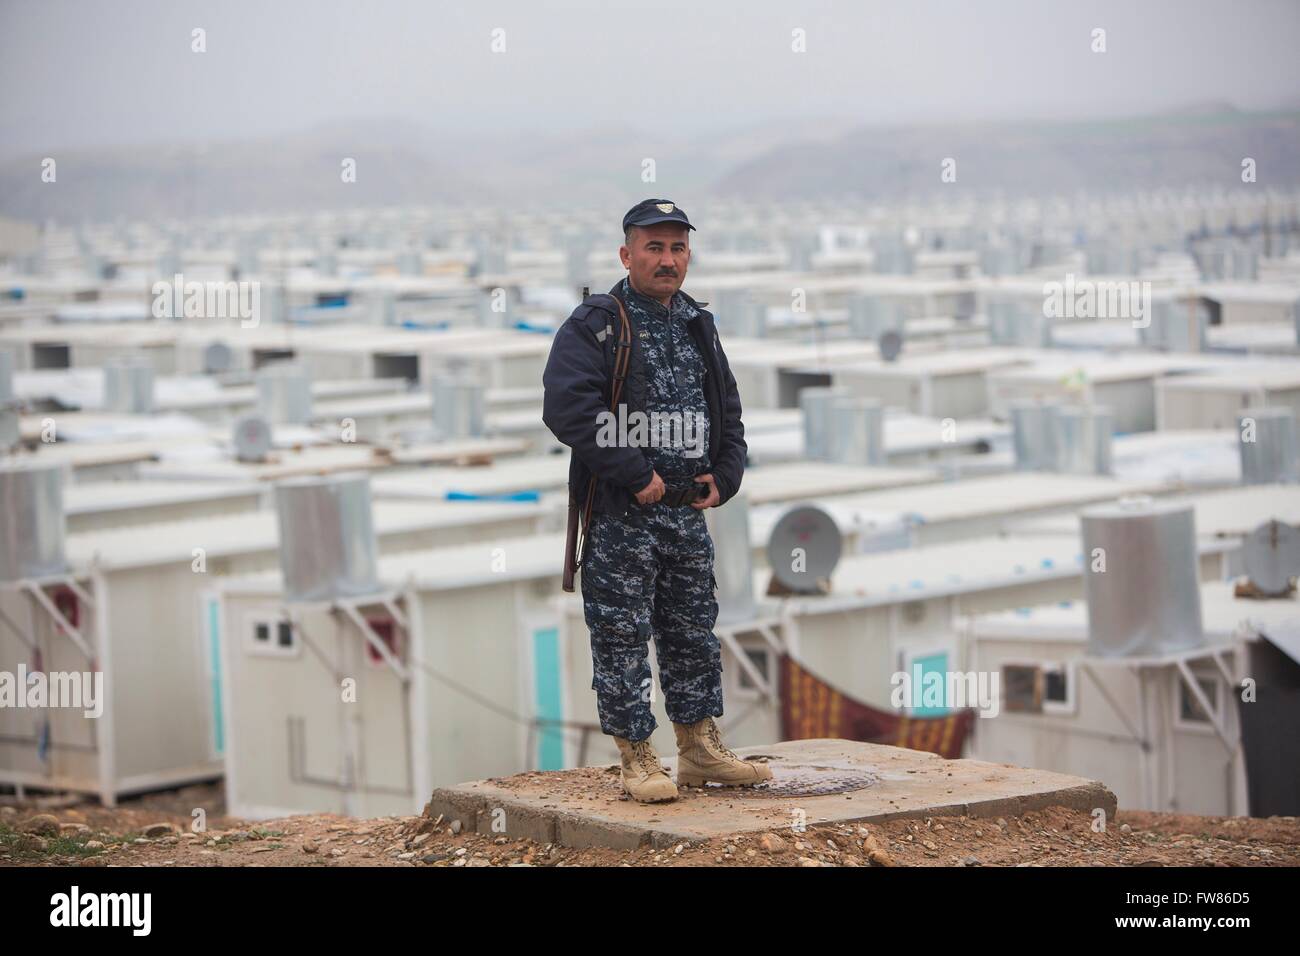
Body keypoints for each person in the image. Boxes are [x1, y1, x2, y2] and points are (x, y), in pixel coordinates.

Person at [542, 198, 772, 802]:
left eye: (677, 248)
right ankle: (637, 758)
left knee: (693, 630)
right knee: (621, 635)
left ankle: (698, 749)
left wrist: (726, 476)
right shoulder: (597, 323)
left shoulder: (698, 322)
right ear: (627, 253)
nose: (667, 260)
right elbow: (568, 408)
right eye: (654, 247)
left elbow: (729, 411)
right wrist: (633, 471)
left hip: (686, 514)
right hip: (623, 515)